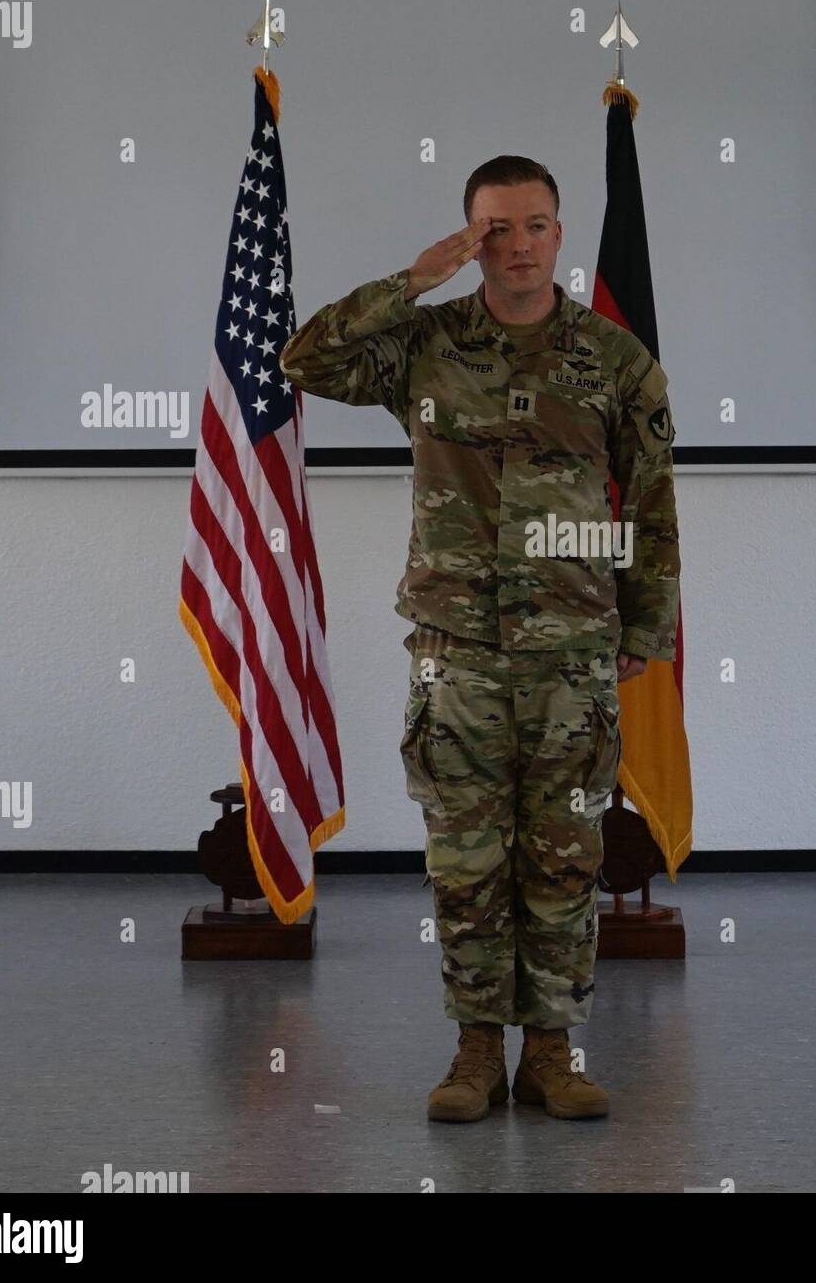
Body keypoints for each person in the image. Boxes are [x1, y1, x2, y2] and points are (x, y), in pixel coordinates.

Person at [278, 155, 680, 1122]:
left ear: (559, 232)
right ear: (471, 239)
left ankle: (551, 1052)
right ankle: (471, 1054)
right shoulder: (424, 344)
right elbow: (304, 361)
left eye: (535, 224)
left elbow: (654, 504)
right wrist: (412, 280)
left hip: (572, 653)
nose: (517, 246)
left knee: (563, 854)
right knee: (464, 857)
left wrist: (645, 628)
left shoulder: (614, 360)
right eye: (495, 229)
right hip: (454, 648)